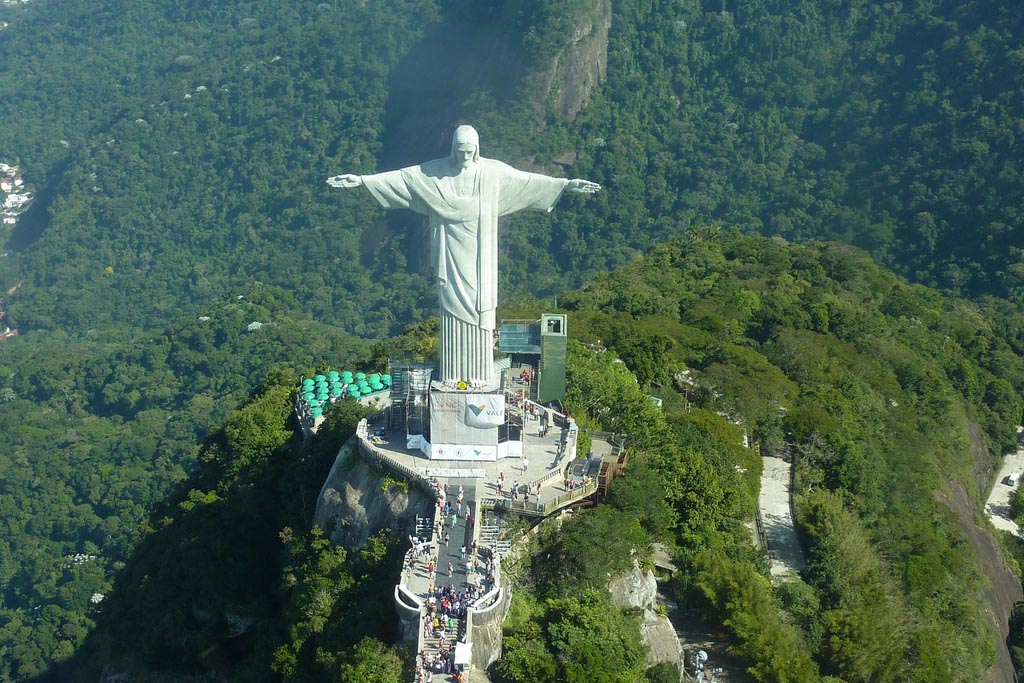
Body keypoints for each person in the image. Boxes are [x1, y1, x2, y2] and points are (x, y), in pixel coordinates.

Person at [328, 125, 600, 388]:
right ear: (454, 149)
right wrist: (362, 181)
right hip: (450, 254)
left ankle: (480, 375)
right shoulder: (435, 173)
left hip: (481, 258)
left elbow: (527, 181)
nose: (466, 156)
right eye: (461, 150)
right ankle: (452, 374)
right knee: (451, 312)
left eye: (470, 151)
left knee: (480, 310)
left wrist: (566, 185)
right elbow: (402, 178)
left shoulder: (492, 172)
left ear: (477, 149)